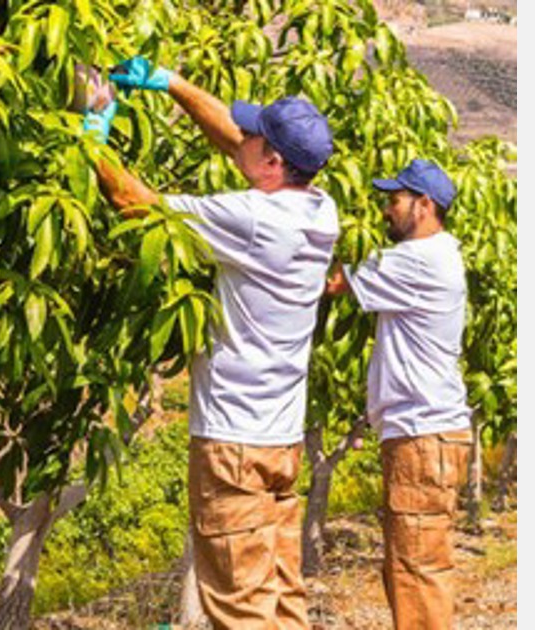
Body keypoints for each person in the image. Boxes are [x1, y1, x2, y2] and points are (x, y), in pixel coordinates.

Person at [84, 57, 338, 629]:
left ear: (273, 162)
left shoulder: (253, 220)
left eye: (254, 136)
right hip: (279, 443)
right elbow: (237, 142)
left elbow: (136, 204)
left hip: (235, 447)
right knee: (280, 597)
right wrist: (170, 82)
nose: (239, 137)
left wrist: (93, 138)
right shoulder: (322, 209)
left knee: (240, 607)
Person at [326, 158, 471, 630]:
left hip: (422, 436)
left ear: (424, 205)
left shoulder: (416, 259)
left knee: (416, 570)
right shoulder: (441, 253)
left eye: (394, 200)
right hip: (427, 435)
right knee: (412, 566)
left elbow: (331, 284)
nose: (386, 211)